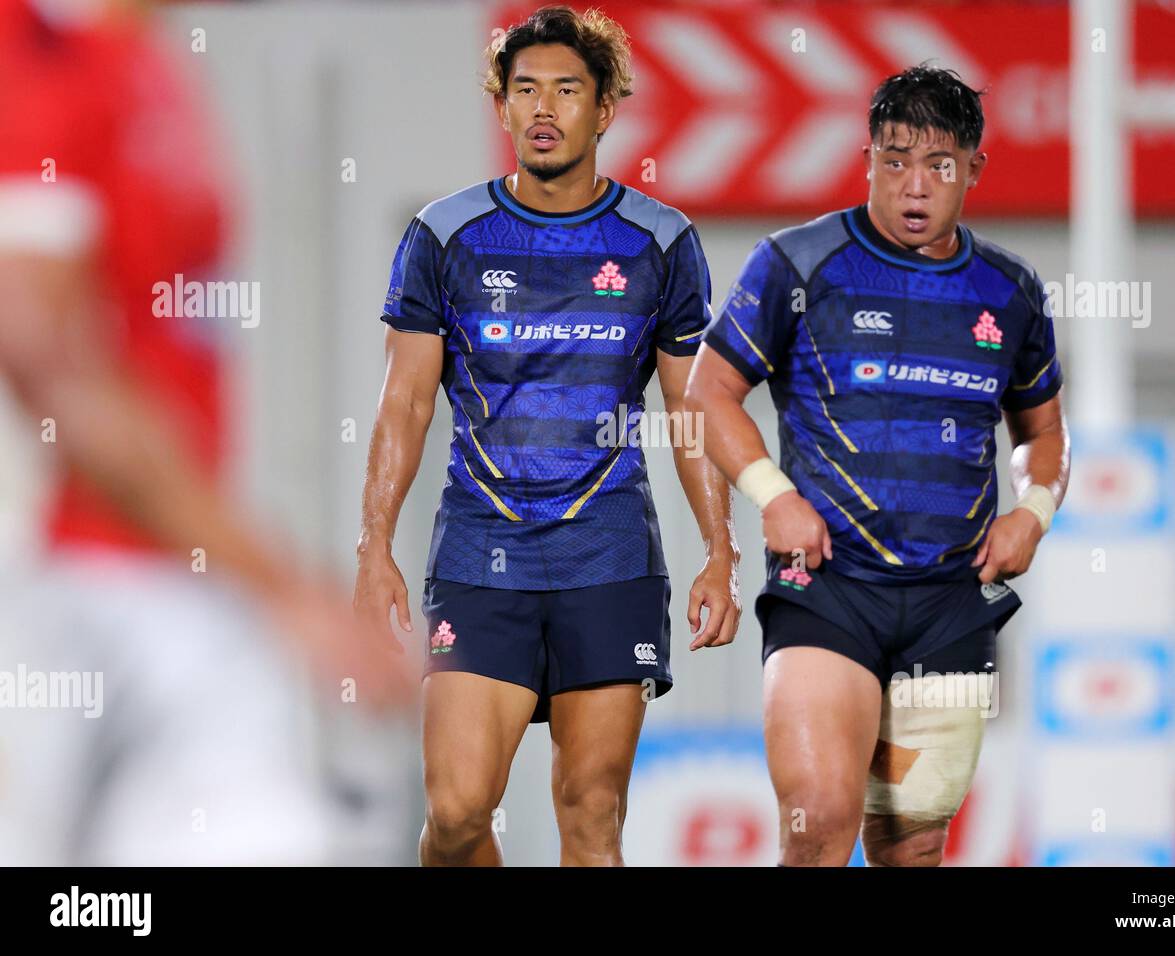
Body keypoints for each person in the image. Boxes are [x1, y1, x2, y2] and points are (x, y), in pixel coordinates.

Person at [0, 0, 410, 865]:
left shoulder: (144, 58)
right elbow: (45, 354)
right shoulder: (34, 50)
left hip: (161, 583)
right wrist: (284, 589)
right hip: (69, 587)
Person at [354, 5, 740, 867]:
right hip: (480, 553)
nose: (543, 107)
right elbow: (405, 404)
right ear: (500, 106)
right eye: (524, 88)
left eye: (567, 90)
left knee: (591, 815)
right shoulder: (444, 237)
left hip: (607, 558)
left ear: (605, 109)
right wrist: (372, 545)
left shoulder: (661, 242)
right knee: (455, 817)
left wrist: (722, 548)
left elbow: (691, 413)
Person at [685, 65, 1069, 866]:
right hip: (829, 593)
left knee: (912, 851)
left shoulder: (1011, 292)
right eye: (894, 160)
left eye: (938, 164)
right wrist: (771, 495)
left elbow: (1042, 434)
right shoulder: (798, 264)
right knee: (819, 821)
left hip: (949, 607)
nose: (913, 185)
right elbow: (708, 394)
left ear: (974, 170)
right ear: (867, 160)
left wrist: (1033, 512)